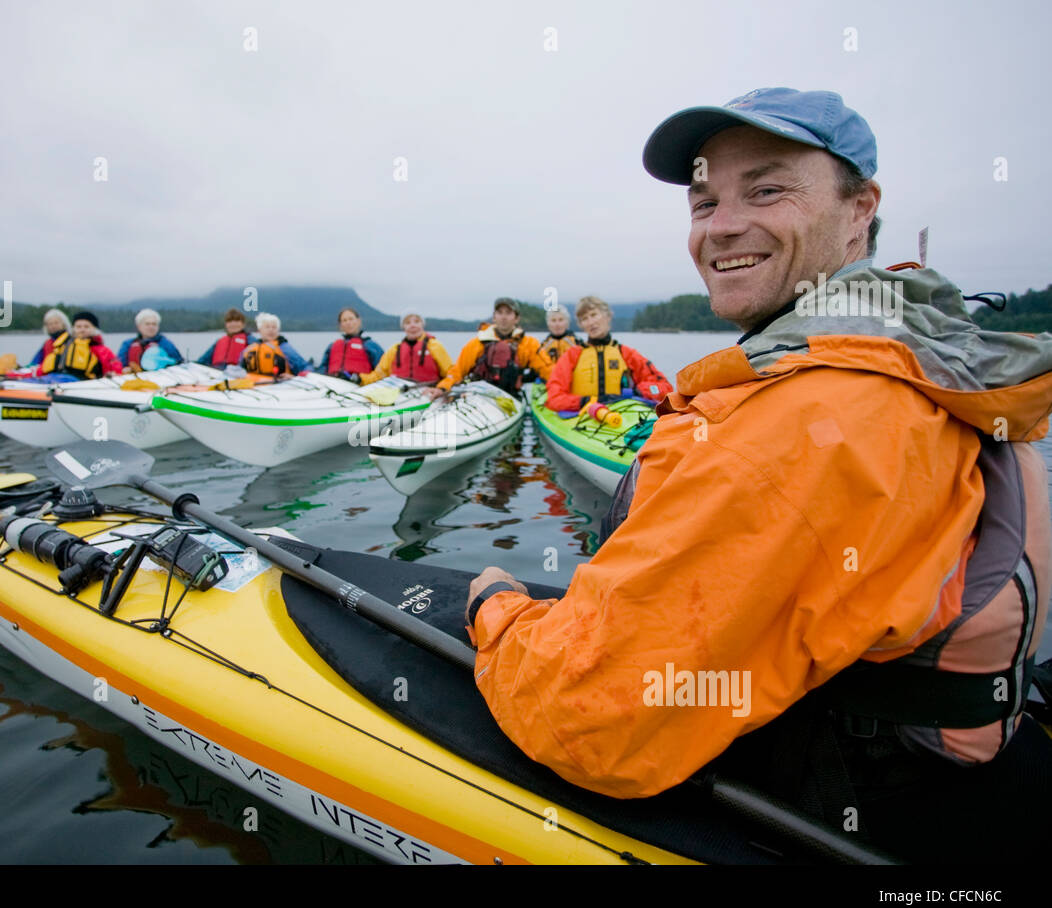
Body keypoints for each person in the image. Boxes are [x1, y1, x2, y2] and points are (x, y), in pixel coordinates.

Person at [463, 88, 1052, 862]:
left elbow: (590, 719)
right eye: (703, 202)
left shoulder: (819, 416)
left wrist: (495, 609)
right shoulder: (916, 354)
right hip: (956, 769)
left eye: (767, 189)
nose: (723, 226)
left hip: (865, 804)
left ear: (858, 209)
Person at [544, 296, 673, 414]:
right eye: (585, 319)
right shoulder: (572, 356)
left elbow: (664, 388)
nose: (590, 322)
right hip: (585, 416)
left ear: (607, 316)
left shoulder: (627, 354)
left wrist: (636, 392)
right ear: (581, 325)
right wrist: (584, 401)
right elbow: (554, 397)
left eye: (594, 315)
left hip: (623, 414)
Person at [424, 297, 553, 398]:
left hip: (511, 396)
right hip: (480, 395)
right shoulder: (477, 343)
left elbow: (547, 369)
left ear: (516, 318)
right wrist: (442, 388)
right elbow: (457, 371)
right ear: (494, 317)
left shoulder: (528, 344)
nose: (503, 317)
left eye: (508, 313)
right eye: (500, 312)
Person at [361, 313, 454, 385]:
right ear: (403, 327)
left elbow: (450, 373)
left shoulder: (435, 346)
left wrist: (442, 388)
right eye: (408, 322)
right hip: (401, 393)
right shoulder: (394, 350)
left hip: (428, 391)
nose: (412, 325)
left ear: (422, 324)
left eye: (416, 321)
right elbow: (378, 375)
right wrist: (360, 379)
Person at [38, 311, 123, 379]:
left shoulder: (102, 350)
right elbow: (46, 365)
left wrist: (113, 374)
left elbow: (115, 369)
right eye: (78, 327)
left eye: (86, 327)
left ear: (94, 329)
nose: (82, 330)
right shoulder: (63, 345)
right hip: (57, 379)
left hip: (83, 382)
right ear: (73, 329)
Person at [316, 307, 384, 382]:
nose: (348, 323)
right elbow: (322, 369)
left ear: (358, 321)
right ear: (340, 325)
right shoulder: (332, 346)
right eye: (344, 320)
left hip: (360, 386)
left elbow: (382, 372)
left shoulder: (371, 346)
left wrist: (360, 379)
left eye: (351, 319)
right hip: (332, 384)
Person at [241, 312, 310, 379]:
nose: (271, 330)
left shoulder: (284, 348)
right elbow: (239, 367)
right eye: (267, 327)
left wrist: (295, 377)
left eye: (274, 327)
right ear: (259, 330)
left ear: (278, 330)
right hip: (254, 385)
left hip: (279, 384)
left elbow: (305, 367)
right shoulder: (250, 348)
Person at [118, 308, 183, 372]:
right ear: (139, 326)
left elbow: (178, 362)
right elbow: (119, 364)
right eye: (147, 324)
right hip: (134, 377)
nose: (151, 327)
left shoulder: (165, 344)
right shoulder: (128, 344)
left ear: (158, 327)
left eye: (154, 324)